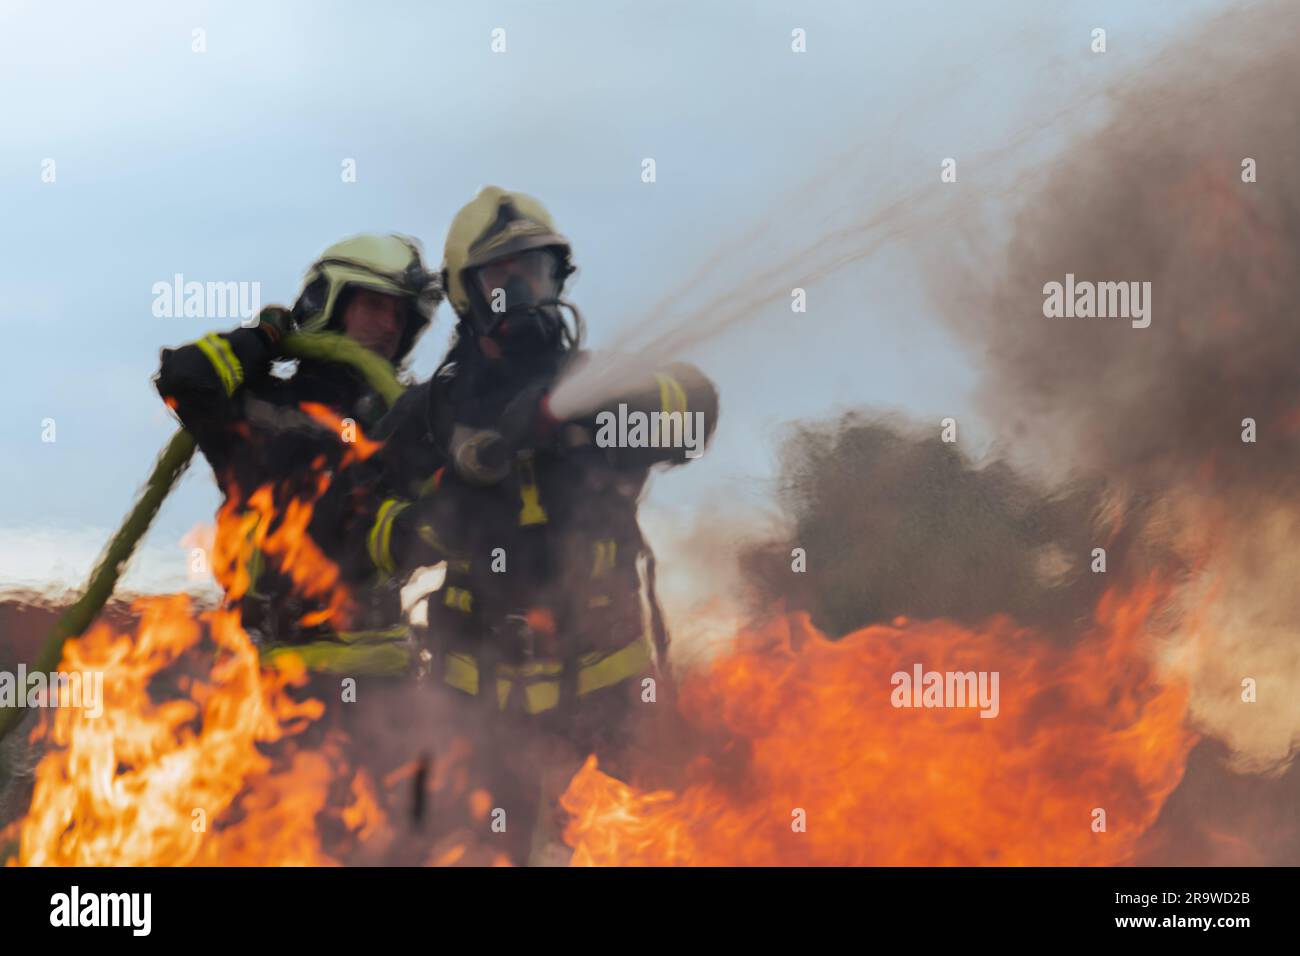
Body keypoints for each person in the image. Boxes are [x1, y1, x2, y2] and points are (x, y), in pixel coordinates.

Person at [327, 187, 719, 860]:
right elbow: (348, 530)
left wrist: (580, 412)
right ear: (466, 293)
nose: (522, 291)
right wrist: (437, 515)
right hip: (476, 710)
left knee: (659, 841)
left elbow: (696, 409)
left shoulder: (599, 390)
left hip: (611, 696)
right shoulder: (431, 414)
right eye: (501, 278)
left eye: (534, 273)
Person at [155, 234, 440, 673]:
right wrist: (261, 339)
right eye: (375, 306)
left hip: (376, 689)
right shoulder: (260, 410)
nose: (390, 326)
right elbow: (186, 378)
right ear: (328, 302)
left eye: (400, 315)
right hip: (257, 686)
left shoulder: (408, 420)